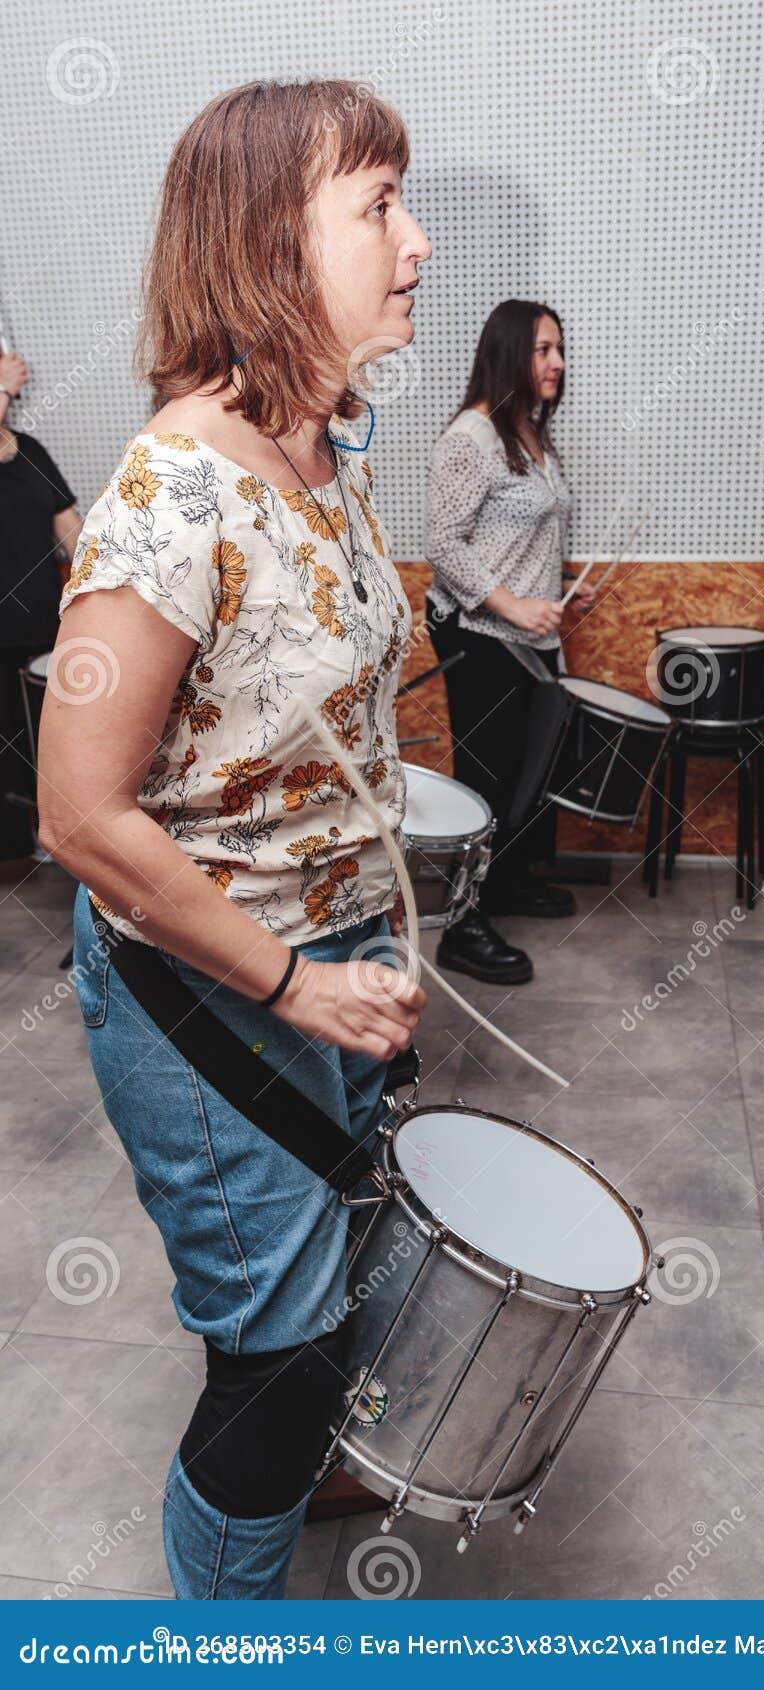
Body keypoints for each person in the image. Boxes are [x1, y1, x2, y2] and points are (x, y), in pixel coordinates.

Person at [37, 78, 430, 1601]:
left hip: (325, 960)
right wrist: (293, 982)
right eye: (378, 206)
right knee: (268, 1369)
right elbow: (81, 813)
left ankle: (312, 1452)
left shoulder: (325, 452)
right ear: (272, 242)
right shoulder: (173, 483)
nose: (414, 242)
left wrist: (363, 952)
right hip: (205, 986)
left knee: (328, 1284)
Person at [423, 299, 595, 984]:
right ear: (509, 354)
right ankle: (461, 925)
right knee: (488, 774)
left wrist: (560, 586)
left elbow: (523, 535)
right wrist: (509, 605)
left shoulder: (529, 434)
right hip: (478, 630)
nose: (557, 363)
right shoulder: (473, 435)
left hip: (526, 627)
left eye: (559, 350)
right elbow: (442, 542)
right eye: (543, 349)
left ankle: (508, 883)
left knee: (532, 767)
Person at [0, 351, 83, 875]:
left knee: (41, 753)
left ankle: (42, 837)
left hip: (41, 637)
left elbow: (71, 531)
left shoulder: (30, 451)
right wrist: (5, 386)